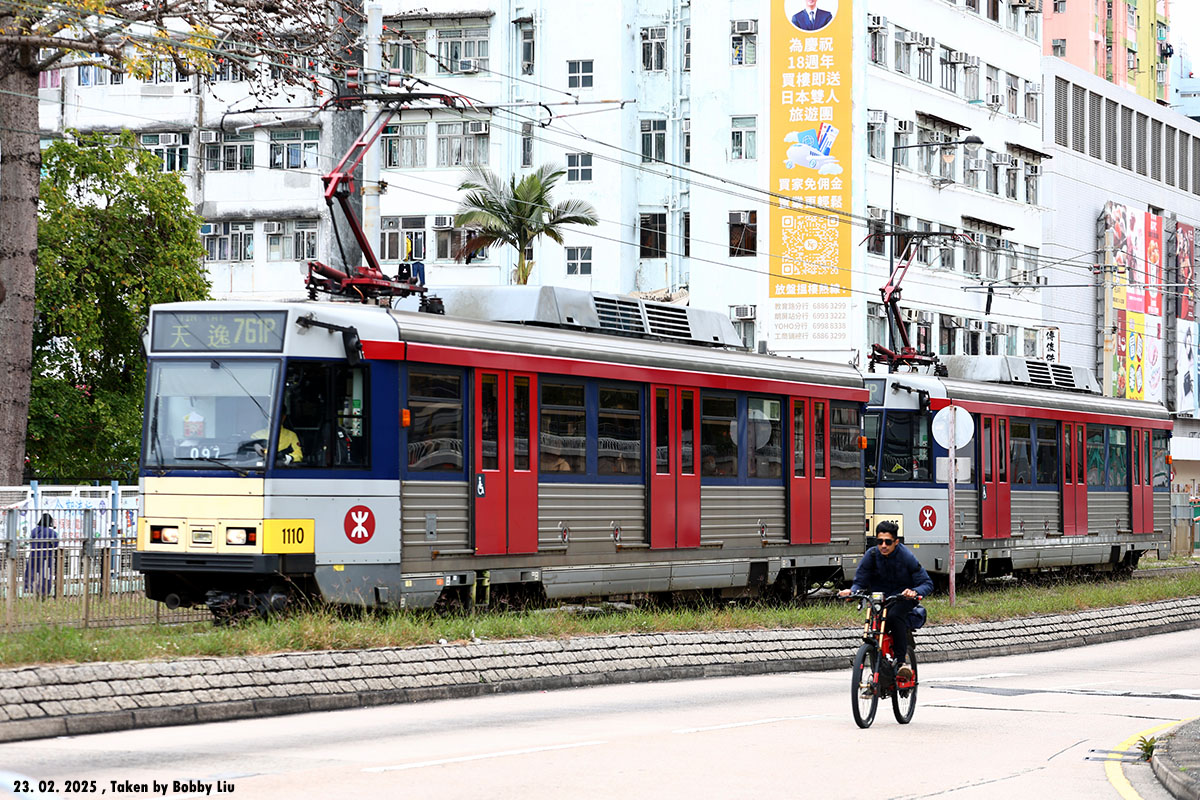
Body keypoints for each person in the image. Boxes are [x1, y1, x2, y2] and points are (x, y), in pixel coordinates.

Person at [838, 521, 932, 682]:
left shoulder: (906, 556)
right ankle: (878, 677)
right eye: (879, 541)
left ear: (896, 542)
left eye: (888, 542)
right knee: (874, 627)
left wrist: (914, 592)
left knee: (895, 616)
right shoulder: (872, 555)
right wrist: (852, 592)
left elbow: (927, 583)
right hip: (879, 599)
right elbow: (860, 581)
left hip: (902, 598)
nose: (883, 545)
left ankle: (902, 663)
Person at [23, 513, 58, 598]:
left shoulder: (34, 530)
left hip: (33, 555)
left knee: (32, 572)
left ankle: (29, 588)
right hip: (46, 557)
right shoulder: (51, 532)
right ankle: (44, 592)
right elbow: (55, 544)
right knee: (46, 574)